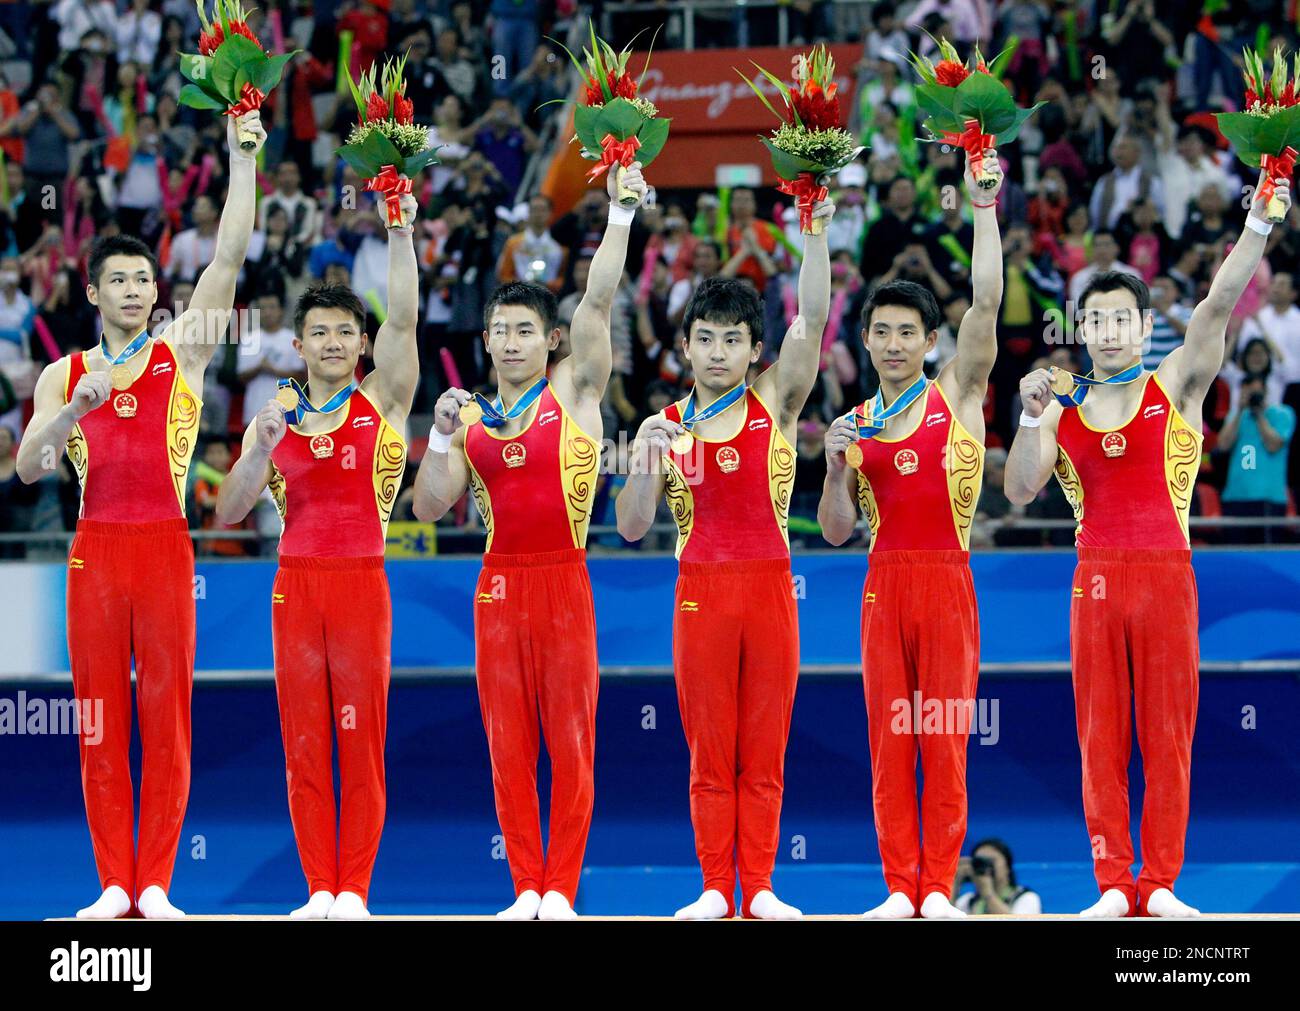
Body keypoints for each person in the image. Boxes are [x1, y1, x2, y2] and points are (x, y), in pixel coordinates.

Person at [1003, 172, 1292, 917]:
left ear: (1142, 324)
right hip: (1094, 578)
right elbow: (1019, 490)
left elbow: (1219, 303)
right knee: (1102, 736)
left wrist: (1259, 222)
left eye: (1120, 318)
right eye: (1093, 320)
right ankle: (1111, 882)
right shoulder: (1060, 406)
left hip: (1166, 574)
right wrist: (1034, 416)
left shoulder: (1178, 385)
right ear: (1081, 328)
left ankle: (1159, 881)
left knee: (1167, 735)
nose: (1106, 330)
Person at [14, 109, 267, 919]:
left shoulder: (181, 350)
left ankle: (154, 880)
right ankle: (112, 882)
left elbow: (228, 253)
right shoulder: (63, 371)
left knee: (165, 713)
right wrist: (65, 414)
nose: (132, 291)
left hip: (164, 547)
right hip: (94, 552)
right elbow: (25, 470)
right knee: (99, 718)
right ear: (91, 291)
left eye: (142, 281)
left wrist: (242, 153)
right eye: (117, 281)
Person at [410, 163, 649, 920]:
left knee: (571, 741)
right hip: (497, 585)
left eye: (524, 331)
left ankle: (562, 890)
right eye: (498, 331)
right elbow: (429, 506)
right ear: (483, 341)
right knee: (507, 743)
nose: (510, 343)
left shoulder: (576, 393)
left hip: (564, 580)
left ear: (550, 340)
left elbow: (601, 300)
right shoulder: (468, 416)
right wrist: (442, 438)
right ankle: (524, 889)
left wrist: (620, 214)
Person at [614, 194, 835, 920]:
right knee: (711, 748)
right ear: (685, 346)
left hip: (771, 587)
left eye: (731, 340)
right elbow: (631, 525)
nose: (717, 352)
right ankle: (715, 885)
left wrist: (814, 228)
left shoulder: (777, 400)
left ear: (753, 350)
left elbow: (813, 317)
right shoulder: (665, 424)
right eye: (704, 339)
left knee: (763, 745)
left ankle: (762, 885)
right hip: (699, 590)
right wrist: (643, 460)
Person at [214, 189, 418, 919]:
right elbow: (229, 512)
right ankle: (318, 889)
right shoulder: (274, 418)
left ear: (361, 344)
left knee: (359, 741)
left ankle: (355, 890)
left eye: (344, 333)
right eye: (320, 333)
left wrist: (399, 226)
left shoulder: (384, 400)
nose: (333, 343)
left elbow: (404, 316)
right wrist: (257, 451)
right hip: (294, 586)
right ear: (296, 345)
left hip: (362, 584)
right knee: (305, 743)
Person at [817, 151, 1004, 919]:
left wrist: (985, 204)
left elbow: (986, 304)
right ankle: (901, 888)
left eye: (908, 333)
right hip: (882, 585)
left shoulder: (956, 392)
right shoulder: (853, 424)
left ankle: (941, 887)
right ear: (864, 339)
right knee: (892, 743)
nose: (894, 345)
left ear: (931, 340)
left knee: (943, 742)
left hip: (947, 585)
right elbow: (833, 534)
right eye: (881, 332)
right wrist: (831, 473)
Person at [1217, 339, 1295, 544]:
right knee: (1237, 562)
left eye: (1256, 392)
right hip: (1235, 497)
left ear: (1265, 392)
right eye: (1247, 391)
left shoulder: (1282, 414)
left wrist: (1259, 414)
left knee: (1266, 559)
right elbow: (1223, 445)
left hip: (1268, 498)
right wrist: (1241, 410)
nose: (1252, 395)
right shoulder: (1235, 415)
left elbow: (1273, 444)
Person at [951, 838, 1042, 915]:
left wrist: (988, 893)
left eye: (991, 861)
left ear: (1007, 867)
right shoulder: (968, 900)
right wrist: (955, 882)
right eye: (979, 863)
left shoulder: (1027, 898)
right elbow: (944, 918)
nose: (986, 868)